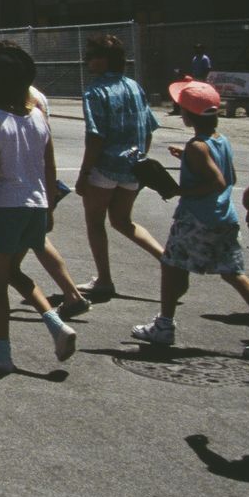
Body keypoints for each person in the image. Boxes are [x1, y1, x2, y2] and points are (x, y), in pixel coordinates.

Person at [130, 80, 249, 358]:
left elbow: (216, 182)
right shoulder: (220, 141)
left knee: (171, 267)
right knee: (235, 275)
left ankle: (164, 326)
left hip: (195, 219)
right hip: (223, 218)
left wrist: (177, 189)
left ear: (187, 115)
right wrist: (188, 158)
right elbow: (228, 175)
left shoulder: (197, 146)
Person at [0, 45, 80, 372]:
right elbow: (49, 166)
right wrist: (50, 207)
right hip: (36, 204)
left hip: (4, 206)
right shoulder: (39, 117)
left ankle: (2, 353)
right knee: (12, 271)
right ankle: (56, 325)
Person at [73, 34, 167, 302]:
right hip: (134, 166)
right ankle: (167, 260)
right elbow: (149, 128)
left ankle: (104, 279)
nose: (87, 60)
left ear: (104, 60)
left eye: (91, 55)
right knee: (123, 221)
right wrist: (141, 157)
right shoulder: (134, 87)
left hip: (105, 165)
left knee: (95, 222)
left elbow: (96, 136)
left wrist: (84, 173)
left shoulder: (95, 91)